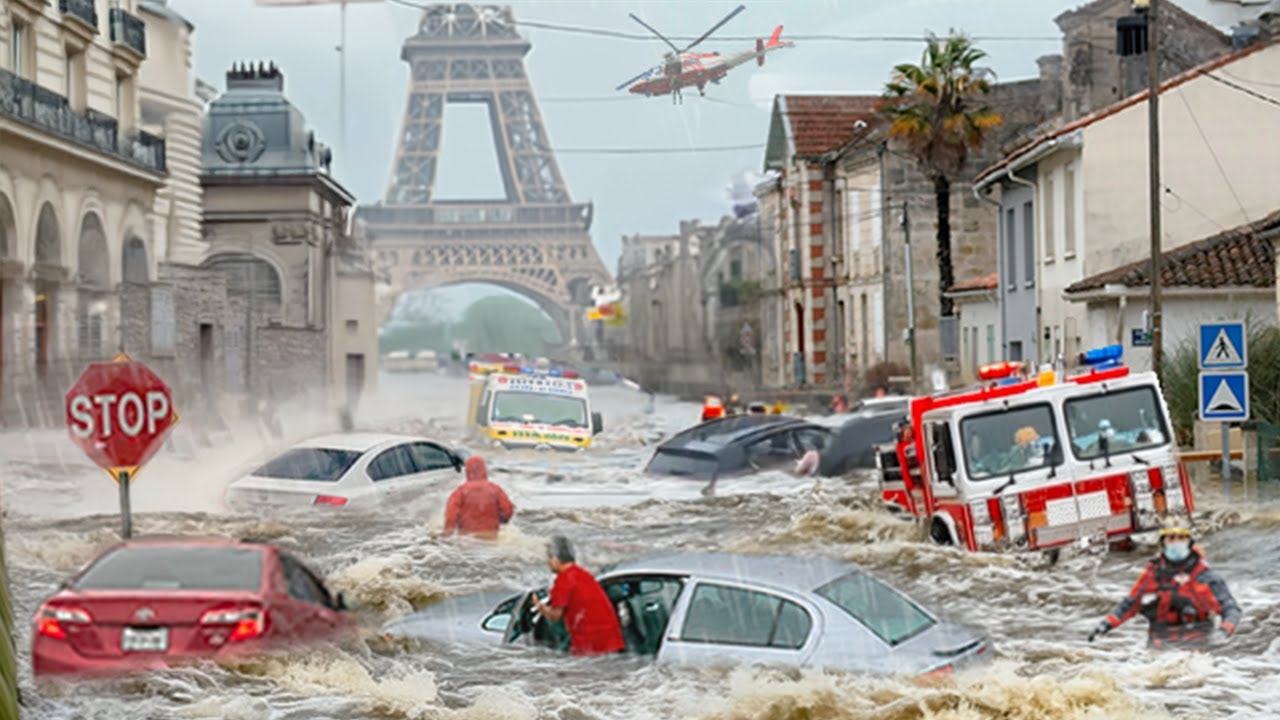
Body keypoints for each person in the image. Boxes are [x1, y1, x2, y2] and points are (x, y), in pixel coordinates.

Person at [1088, 516, 1241, 648]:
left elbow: (1230, 609)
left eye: (1181, 538)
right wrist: (1105, 625)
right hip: (1159, 647)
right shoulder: (1153, 574)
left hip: (1197, 648)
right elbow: (1130, 605)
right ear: (1163, 543)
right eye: (1171, 538)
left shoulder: (1205, 576)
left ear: (1189, 542)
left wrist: (1224, 631)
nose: (1176, 543)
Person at [530, 535, 625, 656]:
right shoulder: (583, 574)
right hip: (611, 642)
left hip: (591, 647)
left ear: (555, 559)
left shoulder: (563, 580)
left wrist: (539, 606)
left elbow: (554, 616)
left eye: (548, 558)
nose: (548, 563)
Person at [442, 456, 514, 540]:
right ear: (484, 470)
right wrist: (501, 521)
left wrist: (446, 534)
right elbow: (507, 510)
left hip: (468, 539)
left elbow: (451, 516)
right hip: (491, 537)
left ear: (467, 471)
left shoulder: (460, 492)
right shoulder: (495, 489)